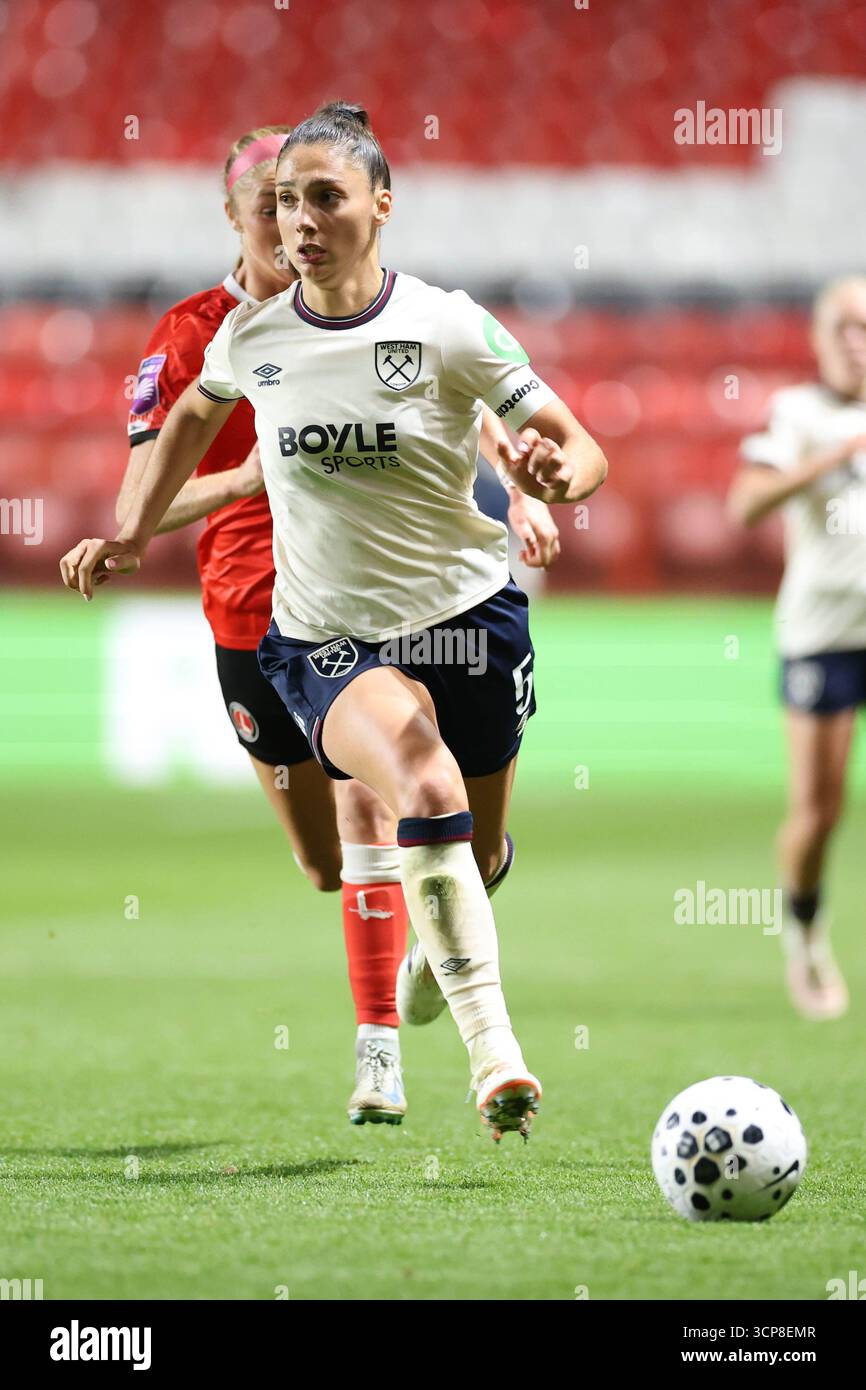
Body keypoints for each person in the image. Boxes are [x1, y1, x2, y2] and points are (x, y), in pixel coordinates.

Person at [60, 101, 606, 1141]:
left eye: (321, 198)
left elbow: (557, 436)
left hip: (465, 619)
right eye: (279, 202)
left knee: (471, 846)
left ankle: (431, 955)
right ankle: (487, 1055)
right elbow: (183, 418)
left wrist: (549, 482)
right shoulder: (232, 335)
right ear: (240, 215)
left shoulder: (442, 323)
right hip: (312, 632)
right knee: (399, 800)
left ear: (380, 206)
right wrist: (131, 530)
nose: (296, 220)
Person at [727, 275, 866, 1020]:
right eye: (842, 327)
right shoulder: (797, 413)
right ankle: (807, 939)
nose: (855, 342)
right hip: (824, 635)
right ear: (818, 339)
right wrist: (832, 458)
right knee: (820, 809)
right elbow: (745, 503)